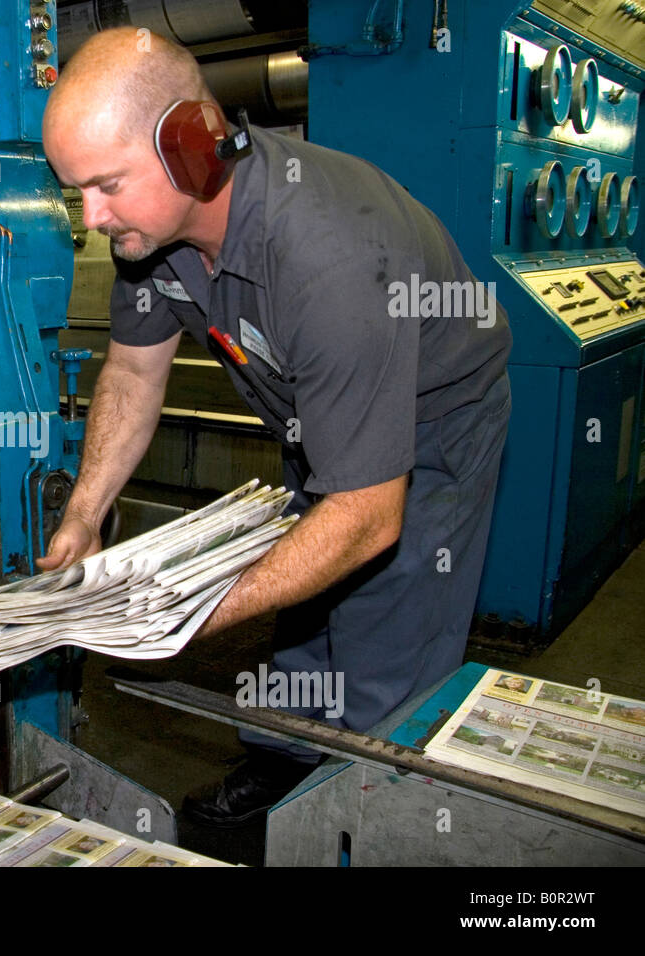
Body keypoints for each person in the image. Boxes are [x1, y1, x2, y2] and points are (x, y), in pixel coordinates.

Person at [39, 29, 512, 827]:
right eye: (75, 190)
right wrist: (86, 514)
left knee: (381, 640)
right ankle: (284, 771)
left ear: (190, 145)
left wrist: (182, 616)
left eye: (107, 184)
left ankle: (367, 814)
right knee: (301, 622)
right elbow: (132, 372)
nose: (91, 216)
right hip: (316, 418)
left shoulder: (329, 253)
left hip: (432, 431)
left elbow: (367, 516)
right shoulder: (147, 243)